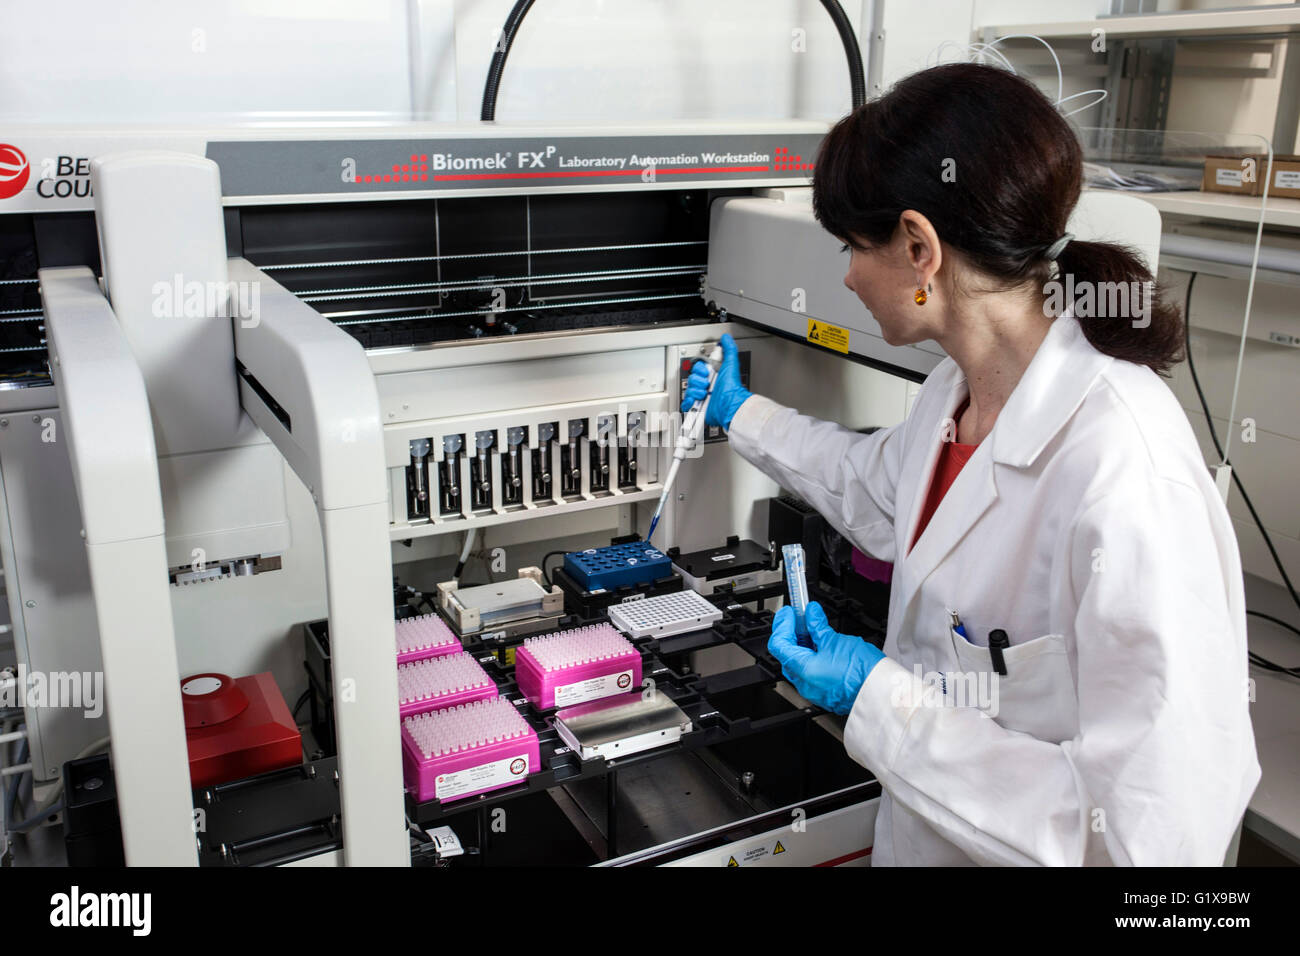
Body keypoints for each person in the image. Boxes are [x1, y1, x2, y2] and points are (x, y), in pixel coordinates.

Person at [681, 62, 1259, 866]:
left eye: (855, 246)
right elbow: (876, 490)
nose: (846, 275)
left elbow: (1151, 836)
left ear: (920, 248)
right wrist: (740, 414)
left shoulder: (1125, 474)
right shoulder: (957, 389)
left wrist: (878, 700)